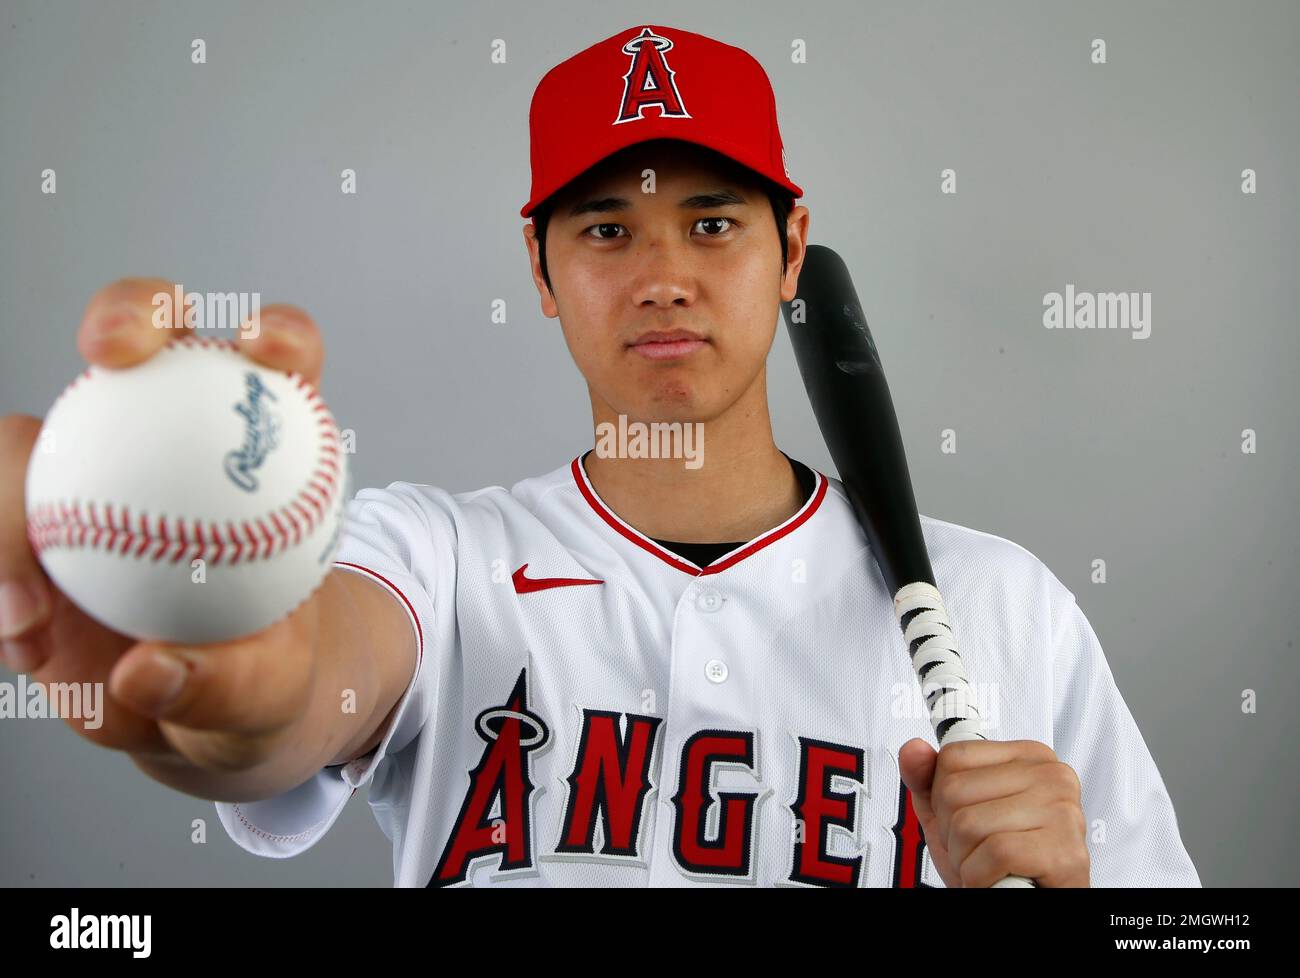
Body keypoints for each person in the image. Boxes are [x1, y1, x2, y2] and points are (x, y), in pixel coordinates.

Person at [0, 24, 1199, 887]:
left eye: (714, 223)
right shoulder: (437, 557)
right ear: (539, 267)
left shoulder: (1002, 605)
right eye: (607, 228)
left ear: (791, 254)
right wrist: (233, 696)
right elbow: (318, 674)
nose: (662, 275)